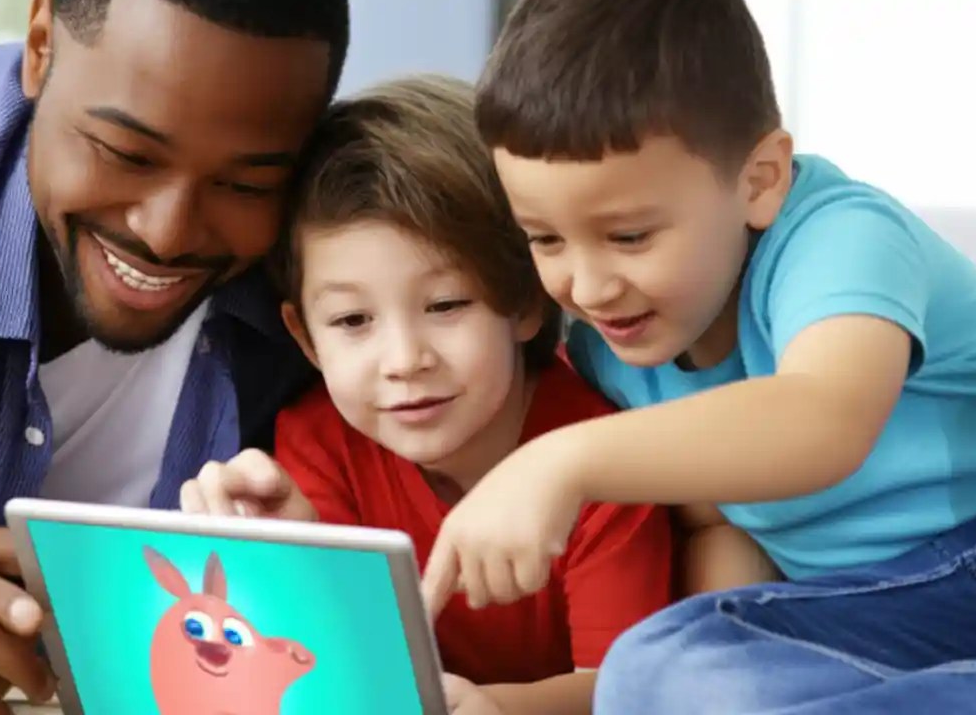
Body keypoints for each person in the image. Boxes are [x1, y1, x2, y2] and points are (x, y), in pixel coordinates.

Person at [418, 0, 976, 712]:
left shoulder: (838, 233)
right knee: (652, 671)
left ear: (760, 181)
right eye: (546, 239)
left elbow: (825, 417)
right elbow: (719, 524)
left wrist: (558, 461)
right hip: (889, 623)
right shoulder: (611, 348)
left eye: (629, 237)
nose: (588, 286)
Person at [0, 0, 348, 712]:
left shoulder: (337, 250)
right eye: (127, 154)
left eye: (245, 185)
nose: (167, 233)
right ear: (41, 43)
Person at [180, 74, 674, 715]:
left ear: (525, 300)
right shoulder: (313, 442)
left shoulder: (605, 464)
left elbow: (627, 691)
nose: (405, 361)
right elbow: (332, 664)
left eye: (445, 305)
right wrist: (292, 559)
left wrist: (493, 707)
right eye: (353, 321)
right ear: (305, 339)